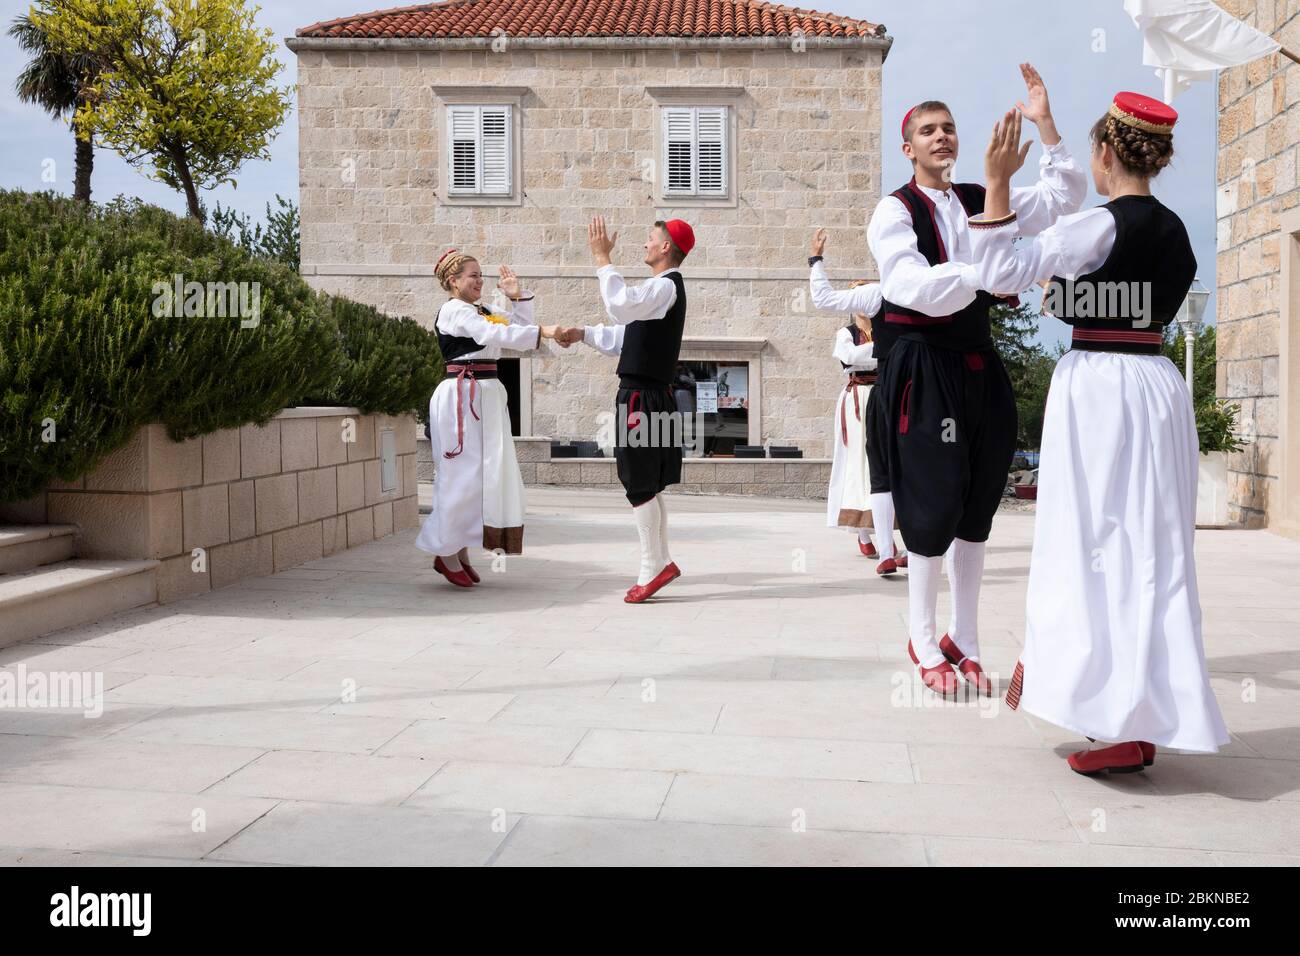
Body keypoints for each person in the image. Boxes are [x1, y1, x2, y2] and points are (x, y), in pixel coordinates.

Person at [969, 92, 1229, 773]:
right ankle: (1136, 712)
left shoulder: (1095, 229)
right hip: (1157, 384)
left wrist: (996, 182)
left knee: (1088, 537)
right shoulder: (1177, 232)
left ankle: (1112, 710)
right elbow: (1118, 300)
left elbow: (998, 275)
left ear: (1106, 153)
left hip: (1101, 390)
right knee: (1151, 546)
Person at [867, 63, 1087, 697]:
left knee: (979, 497)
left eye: (950, 129)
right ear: (908, 148)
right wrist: (985, 272)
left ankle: (966, 635)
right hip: (924, 363)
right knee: (932, 499)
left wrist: (1046, 126)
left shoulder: (980, 196)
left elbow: (1064, 198)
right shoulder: (895, 209)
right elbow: (907, 287)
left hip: (976, 359)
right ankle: (921, 632)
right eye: (929, 131)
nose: (943, 138)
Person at [415, 250, 568, 587]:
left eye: (481, 275)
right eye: (473, 275)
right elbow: (494, 335)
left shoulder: (482, 310)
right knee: (459, 473)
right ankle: (446, 549)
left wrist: (518, 298)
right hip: (463, 394)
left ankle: (457, 547)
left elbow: (518, 330)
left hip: (486, 394)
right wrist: (544, 331)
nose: (480, 280)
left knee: (484, 475)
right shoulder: (455, 311)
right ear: (453, 281)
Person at [584, 215, 694, 604]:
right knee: (646, 482)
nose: (645, 243)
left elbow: (619, 305)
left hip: (642, 399)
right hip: (648, 395)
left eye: (650, 238)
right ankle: (659, 561)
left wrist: (602, 258)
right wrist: (580, 333)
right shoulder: (658, 291)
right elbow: (623, 338)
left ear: (666, 247)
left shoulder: (664, 287)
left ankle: (653, 567)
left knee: (638, 483)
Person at [808, 227, 906, 573]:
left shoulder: (890, 304)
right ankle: (873, 536)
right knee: (861, 466)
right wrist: (886, 351)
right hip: (859, 399)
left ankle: (888, 540)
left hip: (886, 391)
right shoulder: (849, 330)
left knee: (886, 468)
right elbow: (849, 358)